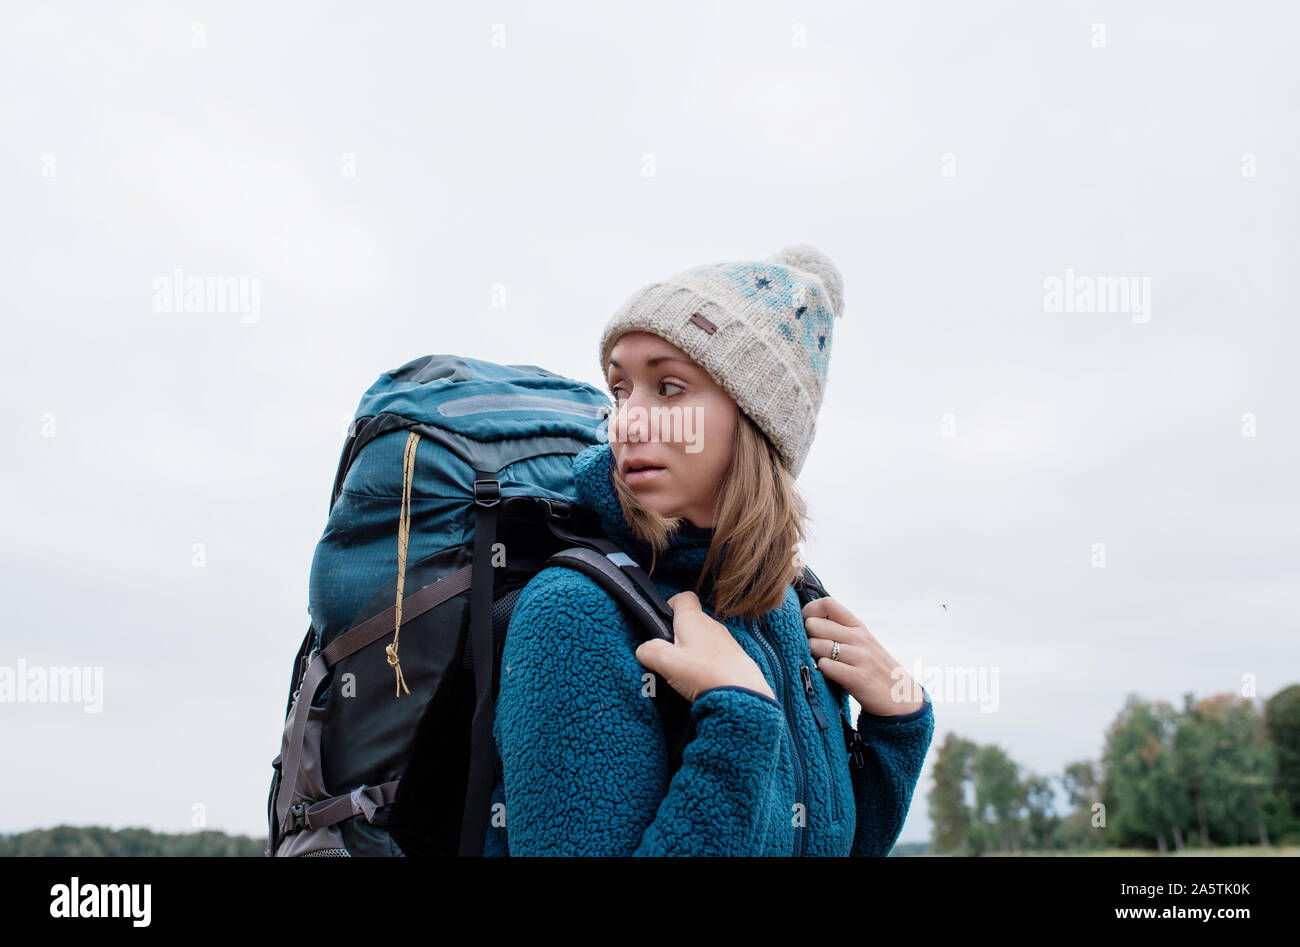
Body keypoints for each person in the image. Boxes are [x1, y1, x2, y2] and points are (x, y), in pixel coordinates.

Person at [482, 245, 934, 856]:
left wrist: (898, 730)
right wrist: (738, 727)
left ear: (757, 421)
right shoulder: (573, 616)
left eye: (668, 388)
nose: (626, 423)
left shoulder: (787, 610)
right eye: (620, 389)